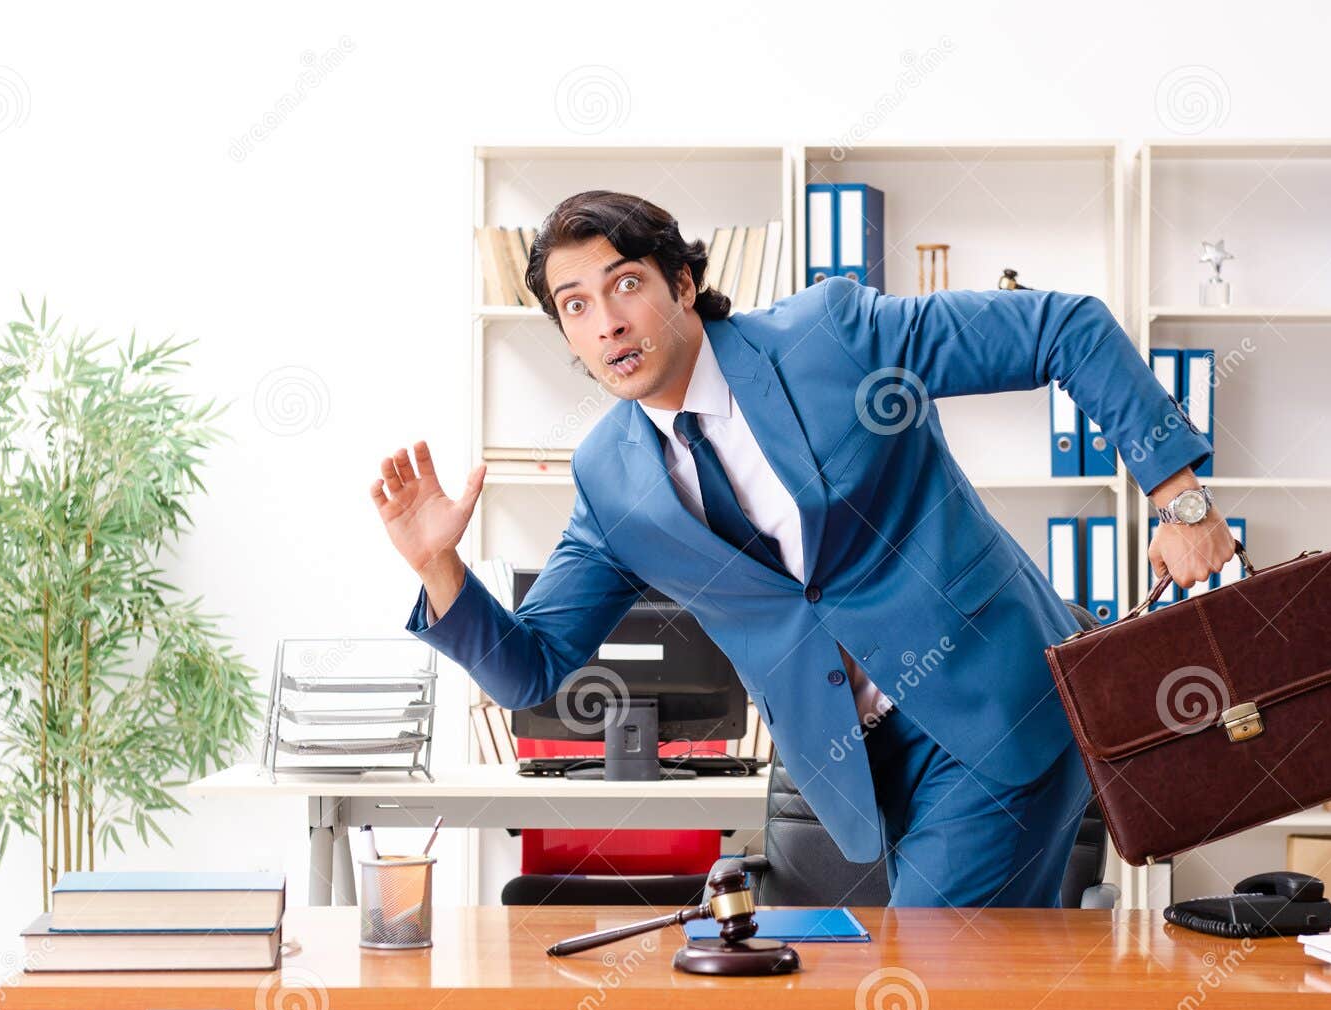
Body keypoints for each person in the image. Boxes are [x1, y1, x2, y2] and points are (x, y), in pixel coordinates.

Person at [371, 189, 1234, 908]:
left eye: (625, 284)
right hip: (857, 767)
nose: (607, 323)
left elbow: (1064, 328)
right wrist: (438, 567)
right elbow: (531, 670)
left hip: (994, 701)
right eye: (576, 306)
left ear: (681, 282)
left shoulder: (830, 337)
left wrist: (1178, 495)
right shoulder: (611, 477)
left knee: (933, 989)